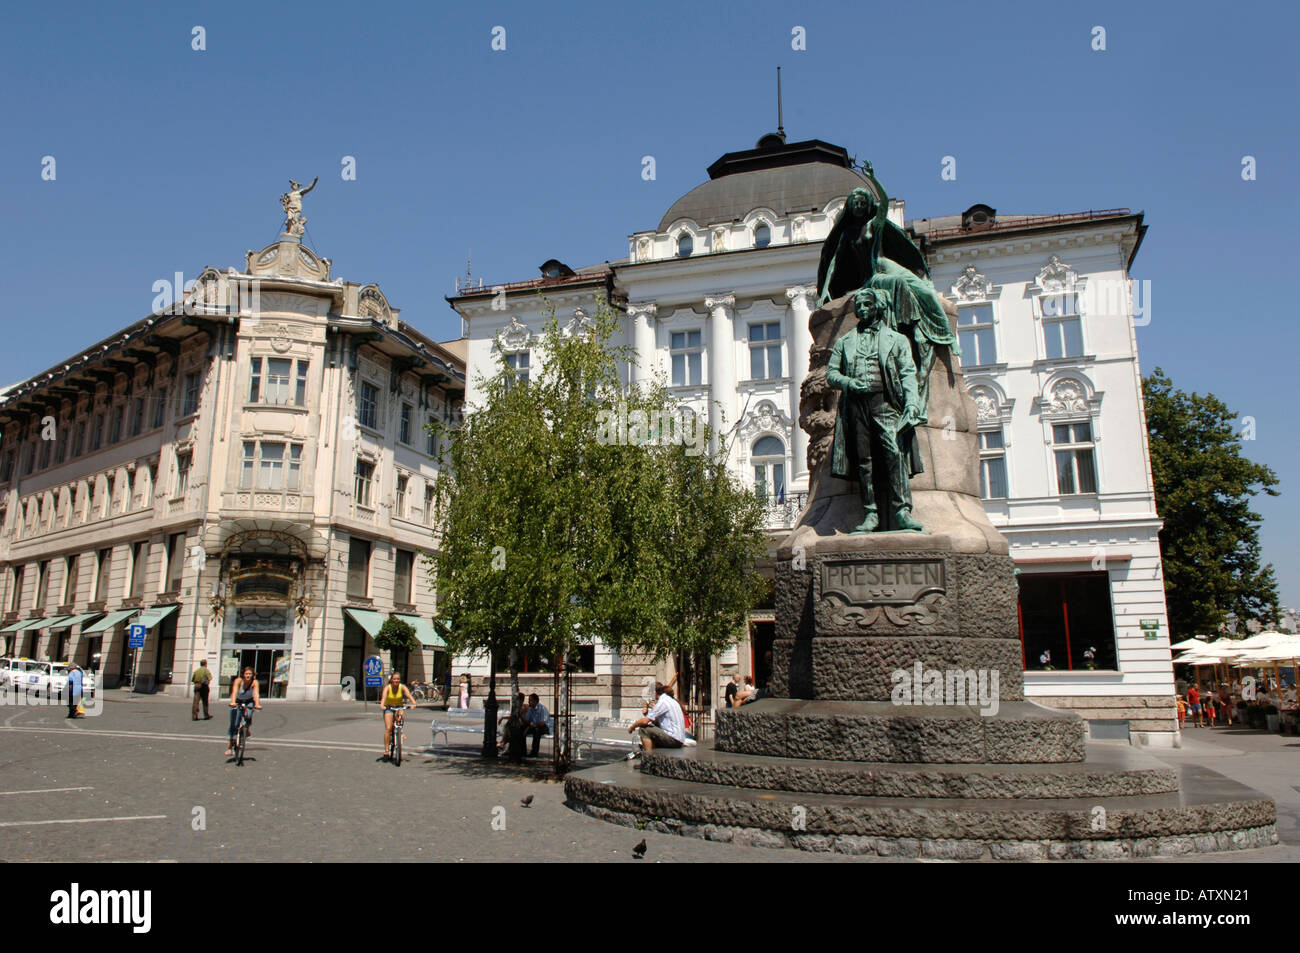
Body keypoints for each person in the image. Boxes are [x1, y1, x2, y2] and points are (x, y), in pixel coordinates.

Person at [826, 288, 925, 533]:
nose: (861, 309)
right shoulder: (845, 341)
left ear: (878, 306)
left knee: (894, 454)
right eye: (858, 306)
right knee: (864, 460)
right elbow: (831, 373)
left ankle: (902, 510)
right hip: (857, 406)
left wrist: (912, 403)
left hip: (886, 403)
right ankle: (870, 512)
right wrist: (848, 383)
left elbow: (908, 374)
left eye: (867, 304)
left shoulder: (897, 339)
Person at [626, 681, 685, 759]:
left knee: (644, 730)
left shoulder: (662, 702)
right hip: (679, 738)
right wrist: (647, 715)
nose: (650, 696)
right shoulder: (670, 700)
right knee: (651, 730)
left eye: (650, 693)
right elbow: (656, 721)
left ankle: (648, 759)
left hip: (673, 739)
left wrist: (632, 727)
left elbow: (645, 721)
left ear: (654, 692)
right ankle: (654, 757)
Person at [225, 666, 262, 757]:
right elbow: (234, 692)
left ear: (253, 675)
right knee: (234, 724)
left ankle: (247, 729)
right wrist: (233, 702)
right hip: (238, 701)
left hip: (249, 701)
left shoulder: (254, 682)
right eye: (246, 674)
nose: (248, 675)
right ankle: (229, 748)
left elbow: (256, 694)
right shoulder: (238, 681)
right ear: (243, 674)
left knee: (248, 717)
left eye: (250, 674)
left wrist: (257, 704)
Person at [380, 672, 415, 760]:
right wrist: (382, 705)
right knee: (388, 728)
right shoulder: (388, 687)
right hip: (388, 707)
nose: (396, 680)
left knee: (401, 714)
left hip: (399, 706)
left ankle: (400, 731)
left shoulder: (402, 687)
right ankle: (386, 751)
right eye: (394, 679)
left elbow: (408, 695)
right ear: (391, 680)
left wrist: (413, 703)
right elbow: (383, 698)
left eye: (398, 679)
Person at [524, 692, 550, 758]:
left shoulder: (542, 708)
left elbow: (542, 722)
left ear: (535, 701)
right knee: (521, 730)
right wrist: (523, 712)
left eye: (530, 700)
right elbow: (527, 720)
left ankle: (534, 752)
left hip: (544, 727)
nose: (529, 702)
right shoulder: (530, 709)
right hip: (534, 726)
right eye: (529, 700)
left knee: (536, 731)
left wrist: (533, 726)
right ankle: (522, 750)